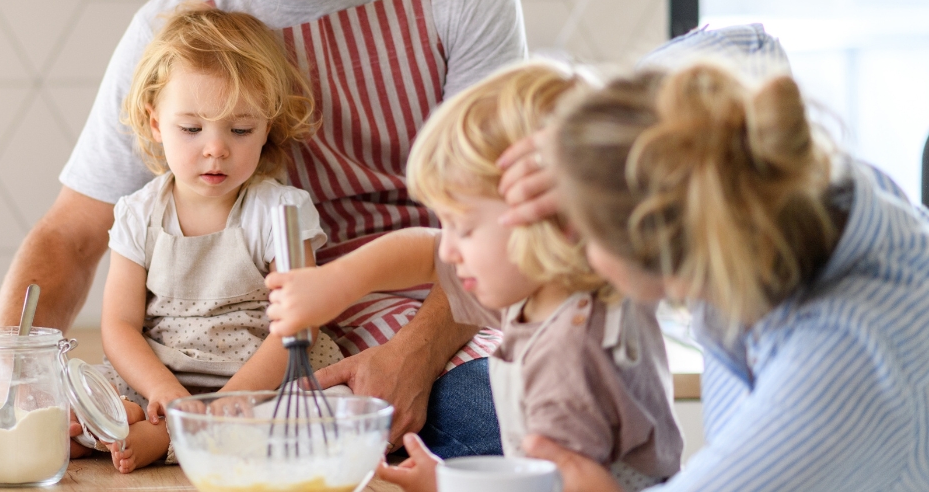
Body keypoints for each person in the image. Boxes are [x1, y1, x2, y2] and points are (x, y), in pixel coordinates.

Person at [0, 0, 526, 456]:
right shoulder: (182, 31)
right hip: (265, 347)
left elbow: (496, 222)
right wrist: (7, 386)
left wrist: (415, 357)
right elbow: (71, 233)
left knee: (501, 436)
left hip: (433, 306)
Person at [266, 63, 683, 492]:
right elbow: (427, 254)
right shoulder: (545, 288)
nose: (448, 248)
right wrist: (336, 283)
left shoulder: (567, 361)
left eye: (463, 229)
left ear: (549, 220)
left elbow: (568, 487)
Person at [517, 61, 929, 490]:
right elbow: (722, 48)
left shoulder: (840, 360)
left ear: (664, 263)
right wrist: (582, 145)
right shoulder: (780, 185)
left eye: (581, 234)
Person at [96, 4, 343, 472]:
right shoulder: (138, 214)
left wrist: (226, 404)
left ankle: (162, 437)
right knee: (81, 388)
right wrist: (163, 391)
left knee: (337, 403)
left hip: (256, 375)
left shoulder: (280, 212)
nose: (215, 148)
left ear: (267, 125)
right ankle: (148, 422)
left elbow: (298, 326)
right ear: (155, 123)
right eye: (191, 129)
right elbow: (118, 327)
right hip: (163, 370)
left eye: (241, 129)